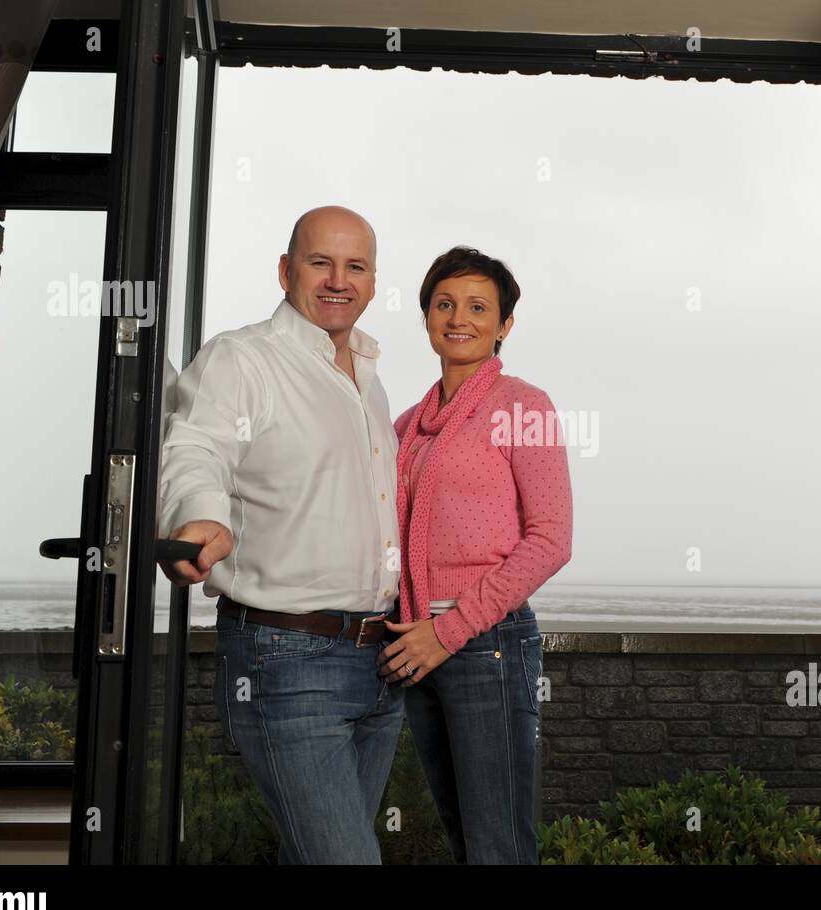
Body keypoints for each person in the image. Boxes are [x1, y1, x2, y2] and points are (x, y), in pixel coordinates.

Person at [157, 205, 403, 864]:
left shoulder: (370, 384)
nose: (337, 279)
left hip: (379, 663)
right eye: (320, 261)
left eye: (355, 266)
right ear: (286, 269)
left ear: (374, 282)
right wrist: (197, 515)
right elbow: (195, 450)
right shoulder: (241, 360)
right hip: (288, 659)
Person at [376, 246, 573, 864]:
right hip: (415, 641)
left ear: (505, 325)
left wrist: (450, 630)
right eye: (444, 303)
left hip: (484, 641)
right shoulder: (407, 422)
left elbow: (551, 540)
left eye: (479, 307)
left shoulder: (526, 405)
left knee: (499, 846)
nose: (459, 317)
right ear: (427, 316)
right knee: (464, 840)